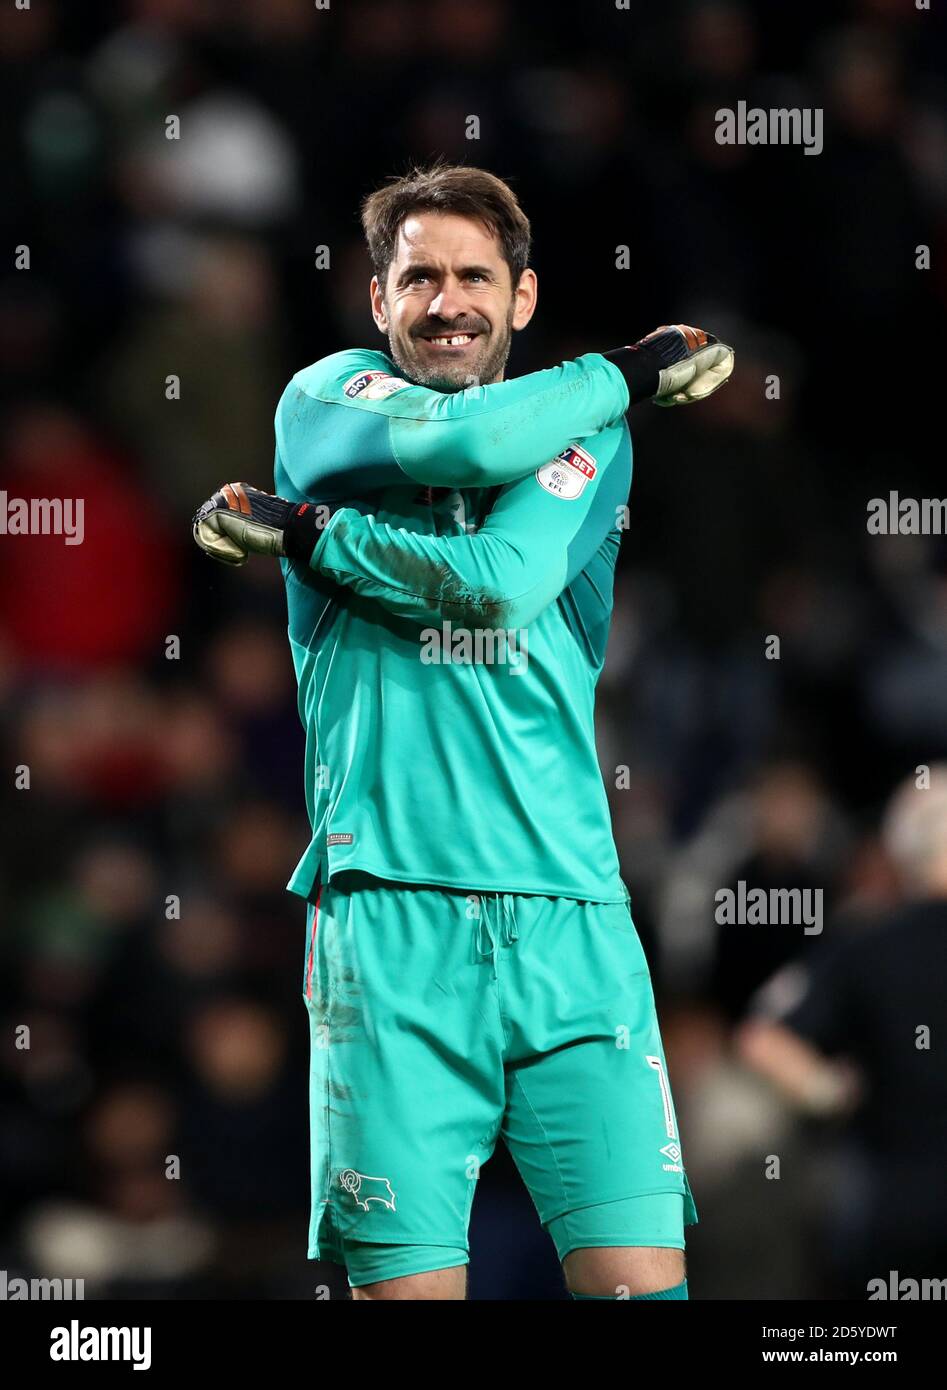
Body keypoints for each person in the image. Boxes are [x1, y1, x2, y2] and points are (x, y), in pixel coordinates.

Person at [193, 163, 734, 1300]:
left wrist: (307, 535)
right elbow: (447, 449)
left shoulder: (586, 428)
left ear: (521, 298)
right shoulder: (324, 400)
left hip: (572, 924)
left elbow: (493, 583)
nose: (449, 302)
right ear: (377, 298)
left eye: (475, 277)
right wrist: (632, 369)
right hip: (388, 922)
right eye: (421, 276)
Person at [736, 768, 947, 1295]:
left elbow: (762, 1038)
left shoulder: (867, 943)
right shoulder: (865, 942)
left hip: (892, 1208)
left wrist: (833, 1095)